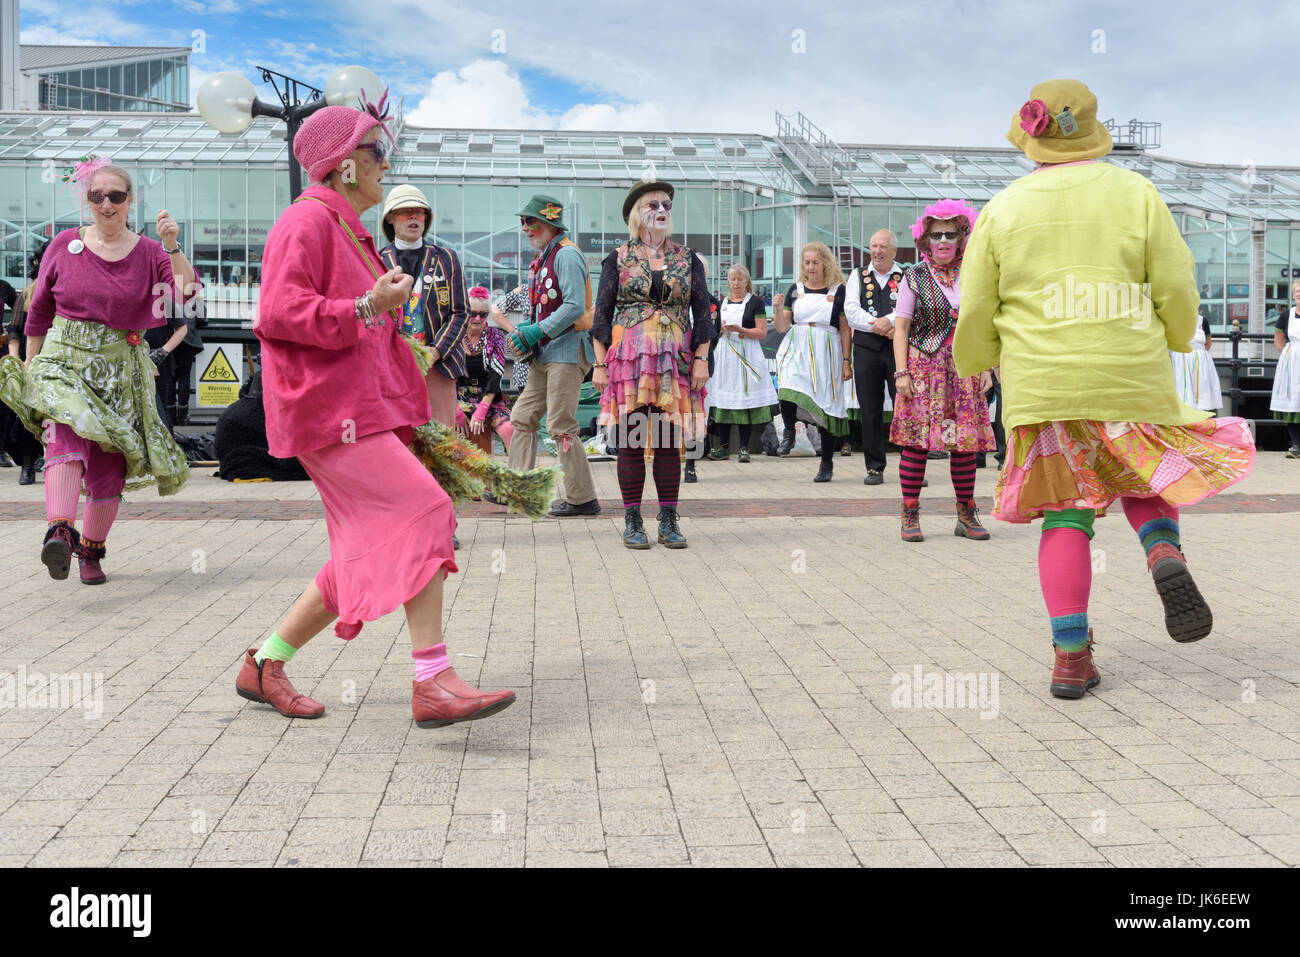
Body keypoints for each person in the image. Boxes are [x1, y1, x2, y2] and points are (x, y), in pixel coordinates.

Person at [955, 78, 1255, 699]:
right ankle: (1162, 553)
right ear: (1091, 134)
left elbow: (977, 305)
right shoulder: (1136, 193)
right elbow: (1174, 282)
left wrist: (980, 362)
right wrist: (1173, 335)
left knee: (1065, 513)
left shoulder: (1002, 208)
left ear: (1030, 138)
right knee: (1143, 473)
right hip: (1127, 370)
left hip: (1044, 381)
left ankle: (1070, 658)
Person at [242, 101, 514, 727]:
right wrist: (367, 306)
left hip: (356, 411)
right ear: (343, 167)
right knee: (426, 510)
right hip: (328, 412)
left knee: (359, 551)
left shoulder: (347, 229)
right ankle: (432, 680)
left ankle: (264, 664)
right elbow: (279, 315)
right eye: (377, 154)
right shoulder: (306, 222)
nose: (386, 167)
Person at [0, 159, 193, 585]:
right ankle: (59, 530)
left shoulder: (150, 251)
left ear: (130, 201)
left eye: (116, 196)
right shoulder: (64, 244)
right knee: (66, 429)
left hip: (119, 372)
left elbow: (186, 292)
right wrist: (31, 367)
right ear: (88, 201)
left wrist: (172, 245)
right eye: (96, 196)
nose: (106, 204)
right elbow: (39, 310)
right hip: (64, 358)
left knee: (109, 468)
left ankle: (90, 551)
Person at [592, 181, 713, 548]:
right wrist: (599, 365)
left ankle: (668, 519)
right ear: (636, 215)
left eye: (666, 204)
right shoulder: (617, 257)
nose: (661, 210)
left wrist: (703, 359)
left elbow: (703, 315)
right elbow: (601, 315)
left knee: (666, 440)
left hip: (674, 359)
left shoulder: (687, 258)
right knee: (630, 439)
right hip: (630, 359)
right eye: (652, 205)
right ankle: (632, 519)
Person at [890, 200, 997, 541]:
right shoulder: (914, 278)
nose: (944, 241)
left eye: (952, 233)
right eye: (937, 235)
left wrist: (986, 366)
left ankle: (966, 513)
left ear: (963, 237)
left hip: (964, 367)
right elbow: (902, 329)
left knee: (963, 443)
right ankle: (910, 514)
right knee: (917, 442)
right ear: (925, 240)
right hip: (923, 368)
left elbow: (984, 323)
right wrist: (901, 372)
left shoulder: (974, 274)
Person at [378, 184, 469, 547]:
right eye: (405, 212)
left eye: (420, 212)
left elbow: (461, 311)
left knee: (442, 444)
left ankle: (445, 525)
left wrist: (434, 351)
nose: (414, 217)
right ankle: (404, 522)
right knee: (398, 444)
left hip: (437, 366)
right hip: (392, 367)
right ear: (390, 219)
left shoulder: (446, 258)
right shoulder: (375, 258)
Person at [505, 195, 601, 517]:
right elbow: (549, 305)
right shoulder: (548, 256)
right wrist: (529, 329)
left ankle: (581, 497)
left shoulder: (566, 255)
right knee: (522, 417)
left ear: (549, 223)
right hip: (547, 353)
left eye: (530, 222)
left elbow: (574, 306)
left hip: (567, 352)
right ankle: (518, 490)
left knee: (561, 425)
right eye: (523, 222)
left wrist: (534, 331)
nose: (525, 228)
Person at [772, 242, 852, 481]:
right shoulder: (795, 290)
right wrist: (777, 308)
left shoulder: (838, 290)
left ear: (825, 263)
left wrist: (846, 361)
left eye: (815, 262)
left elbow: (846, 329)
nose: (811, 267)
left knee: (826, 404)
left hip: (827, 347)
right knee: (786, 387)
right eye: (807, 262)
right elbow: (782, 326)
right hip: (797, 344)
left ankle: (826, 463)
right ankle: (789, 432)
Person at [845, 230, 907, 485]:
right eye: (874, 246)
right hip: (866, 349)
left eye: (883, 247)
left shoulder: (906, 276)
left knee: (904, 406)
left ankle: (910, 464)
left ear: (894, 251)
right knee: (869, 408)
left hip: (898, 350)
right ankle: (874, 467)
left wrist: (890, 321)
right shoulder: (857, 275)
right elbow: (851, 311)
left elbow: (910, 307)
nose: (878, 251)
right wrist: (878, 325)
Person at [705, 264, 774, 462]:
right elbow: (716, 329)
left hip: (747, 354)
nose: (736, 283)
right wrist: (720, 330)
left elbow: (761, 332)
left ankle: (744, 448)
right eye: (733, 279)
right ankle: (724, 447)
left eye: (740, 280)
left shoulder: (755, 303)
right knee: (723, 400)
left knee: (745, 400)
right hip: (726, 356)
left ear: (747, 281)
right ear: (728, 282)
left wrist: (740, 330)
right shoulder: (722, 303)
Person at [3, 243, 48, 485]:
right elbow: (15, 329)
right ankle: (28, 465)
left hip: (60, 361)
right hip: (31, 361)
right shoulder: (27, 295)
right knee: (26, 415)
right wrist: (14, 358)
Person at [455, 286, 514, 452]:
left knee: (509, 429)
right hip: (458, 397)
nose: (478, 318)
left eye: (483, 314)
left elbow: (496, 373)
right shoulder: (454, 335)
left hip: (488, 397)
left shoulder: (495, 335)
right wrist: (455, 409)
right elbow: (445, 375)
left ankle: (515, 472)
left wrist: (482, 408)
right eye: (473, 313)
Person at [1270, 281, 1300, 457]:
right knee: (1291, 401)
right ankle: (1296, 444)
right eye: (1297, 291)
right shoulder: (1285, 316)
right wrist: (1289, 357)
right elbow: (1279, 340)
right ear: (1293, 294)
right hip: (1292, 363)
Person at [1170, 312, 1222, 413]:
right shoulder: (1173, 319)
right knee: (1181, 389)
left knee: (1201, 391)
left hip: (1200, 359)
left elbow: (1208, 342)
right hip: (1180, 358)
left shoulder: (1203, 321)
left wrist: (1200, 354)